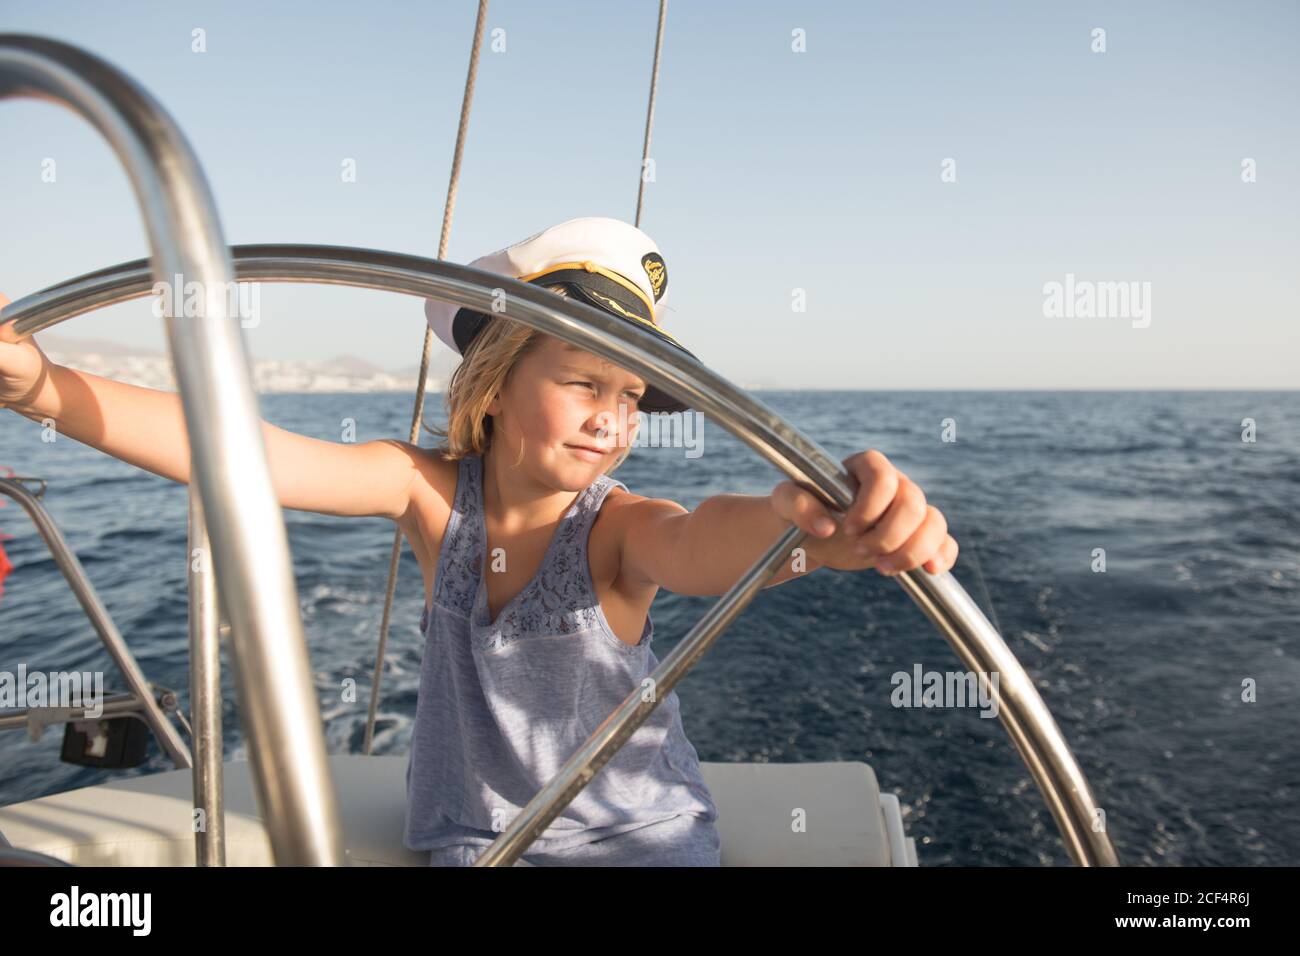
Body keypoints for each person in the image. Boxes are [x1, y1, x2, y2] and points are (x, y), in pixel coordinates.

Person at [0, 216, 958, 866]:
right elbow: (247, 454)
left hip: (635, 849)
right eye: (586, 382)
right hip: (469, 845)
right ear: (495, 383)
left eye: (631, 397)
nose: (612, 420)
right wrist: (45, 390)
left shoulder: (614, 532)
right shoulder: (426, 495)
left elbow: (705, 540)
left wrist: (811, 532)